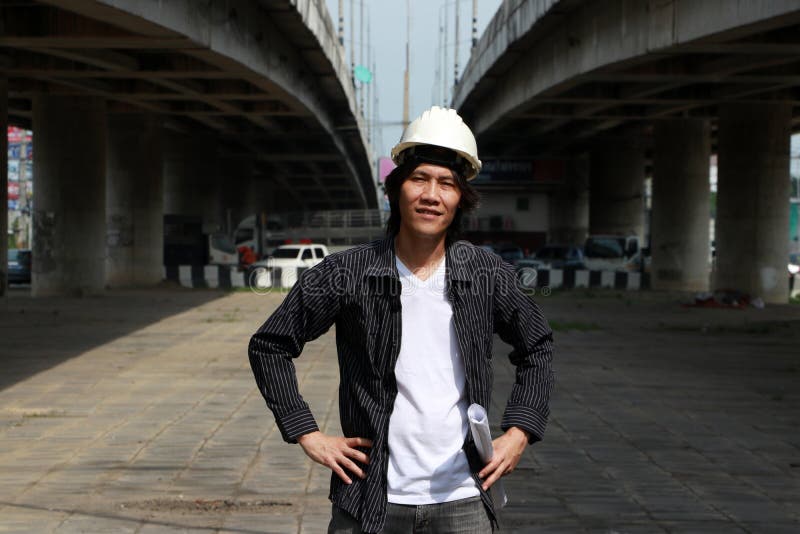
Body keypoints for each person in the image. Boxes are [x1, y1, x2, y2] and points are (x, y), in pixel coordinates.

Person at [249, 106, 554, 533]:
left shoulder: (485, 274)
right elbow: (270, 345)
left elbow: (537, 346)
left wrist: (519, 430)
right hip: (370, 499)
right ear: (395, 191)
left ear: (460, 199)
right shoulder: (347, 272)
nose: (432, 194)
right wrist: (307, 432)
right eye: (419, 179)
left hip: (463, 497)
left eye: (447, 184)